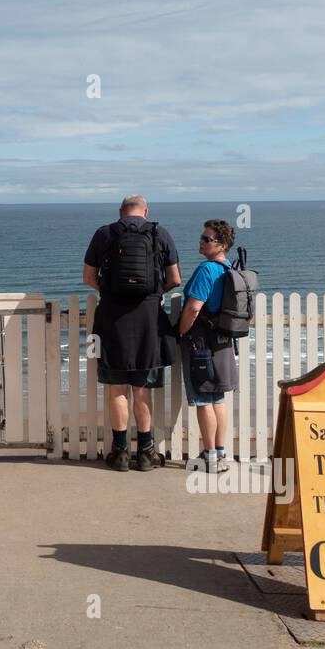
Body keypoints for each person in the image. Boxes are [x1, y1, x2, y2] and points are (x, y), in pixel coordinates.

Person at [83, 195, 181, 471]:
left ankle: (120, 452)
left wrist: (110, 292)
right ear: (146, 211)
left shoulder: (104, 234)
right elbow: (175, 278)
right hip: (149, 320)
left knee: (117, 388)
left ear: (120, 212)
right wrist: (153, 294)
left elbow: (88, 277)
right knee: (142, 388)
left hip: (112, 320)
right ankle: (147, 453)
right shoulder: (160, 233)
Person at [176, 220, 238, 473]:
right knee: (218, 399)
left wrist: (181, 330)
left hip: (201, 343)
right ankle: (220, 453)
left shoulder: (207, 270)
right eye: (202, 237)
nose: (201, 241)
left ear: (221, 245)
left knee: (203, 400)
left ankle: (210, 457)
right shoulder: (229, 268)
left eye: (207, 239)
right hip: (222, 343)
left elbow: (193, 307)